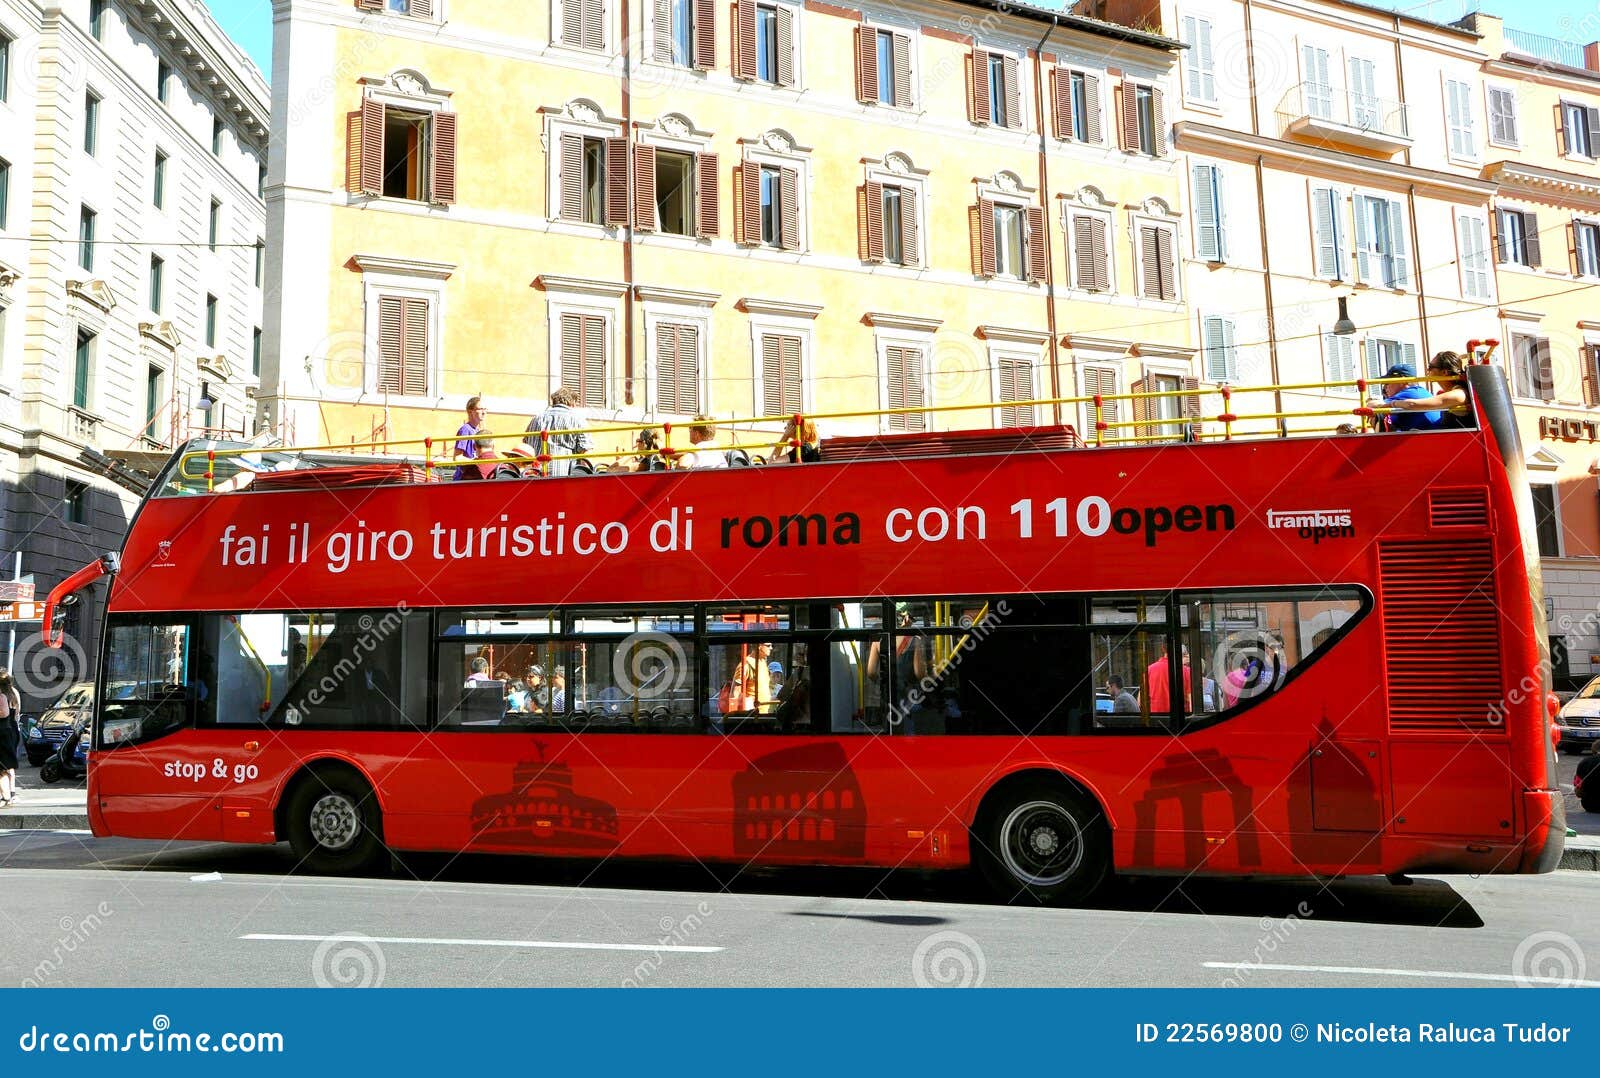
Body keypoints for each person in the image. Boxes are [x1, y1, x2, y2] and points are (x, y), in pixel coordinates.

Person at [1374, 350, 1472, 430]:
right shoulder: (1451, 392)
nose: (1427, 371)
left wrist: (1391, 404)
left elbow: (1412, 404)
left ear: (1444, 372)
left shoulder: (1459, 394)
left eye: (1430, 367)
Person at [524, 388, 593, 477]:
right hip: (563, 475)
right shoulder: (577, 419)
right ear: (573, 402)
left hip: (534, 475)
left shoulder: (536, 418)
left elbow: (526, 444)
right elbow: (586, 449)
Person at [1377, 363, 1442, 431]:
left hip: (1429, 438)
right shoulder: (1418, 391)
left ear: (1402, 381)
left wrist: (1370, 400)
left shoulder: (1410, 393)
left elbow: (1374, 406)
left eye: (1387, 383)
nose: (1385, 388)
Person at [1145, 643, 1191, 715]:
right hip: (1181, 718)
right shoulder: (1186, 671)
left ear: (1163, 648)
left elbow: (1141, 701)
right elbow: (1191, 700)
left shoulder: (1149, 670)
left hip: (1155, 718)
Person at [730, 642, 775, 714]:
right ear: (759, 646)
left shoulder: (763, 662)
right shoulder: (746, 665)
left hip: (765, 712)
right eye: (768, 646)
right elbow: (735, 693)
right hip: (753, 716)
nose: (771, 648)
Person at [452, 396, 487, 481]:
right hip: (463, 478)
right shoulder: (465, 430)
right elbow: (457, 457)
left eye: (485, 409)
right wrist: (476, 462)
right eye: (480, 409)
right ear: (470, 411)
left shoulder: (478, 430)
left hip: (474, 476)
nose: (484, 412)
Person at [0, 670, 19, 806]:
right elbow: (16, 713)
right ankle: (11, 794)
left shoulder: (1, 696)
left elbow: (4, 713)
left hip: (3, 731)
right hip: (12, 729)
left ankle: (6, 797)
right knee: (9, 765)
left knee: (3, 767)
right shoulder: (14, 693)